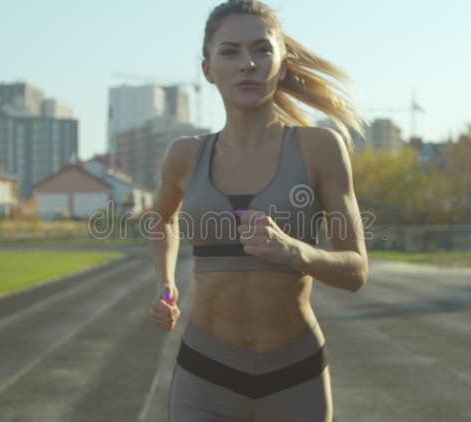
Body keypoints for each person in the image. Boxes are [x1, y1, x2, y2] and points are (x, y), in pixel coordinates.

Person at [149, 1, 368, 420]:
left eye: (261, 50)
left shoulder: (320, 148)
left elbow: (356, 271)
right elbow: (160, 219)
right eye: (229, 52)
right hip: (205, 372)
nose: (247, 63)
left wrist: (294, 251)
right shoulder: (184, 156)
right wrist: (165, 283)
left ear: (282, 64)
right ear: (208, 70)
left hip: (295, 374)